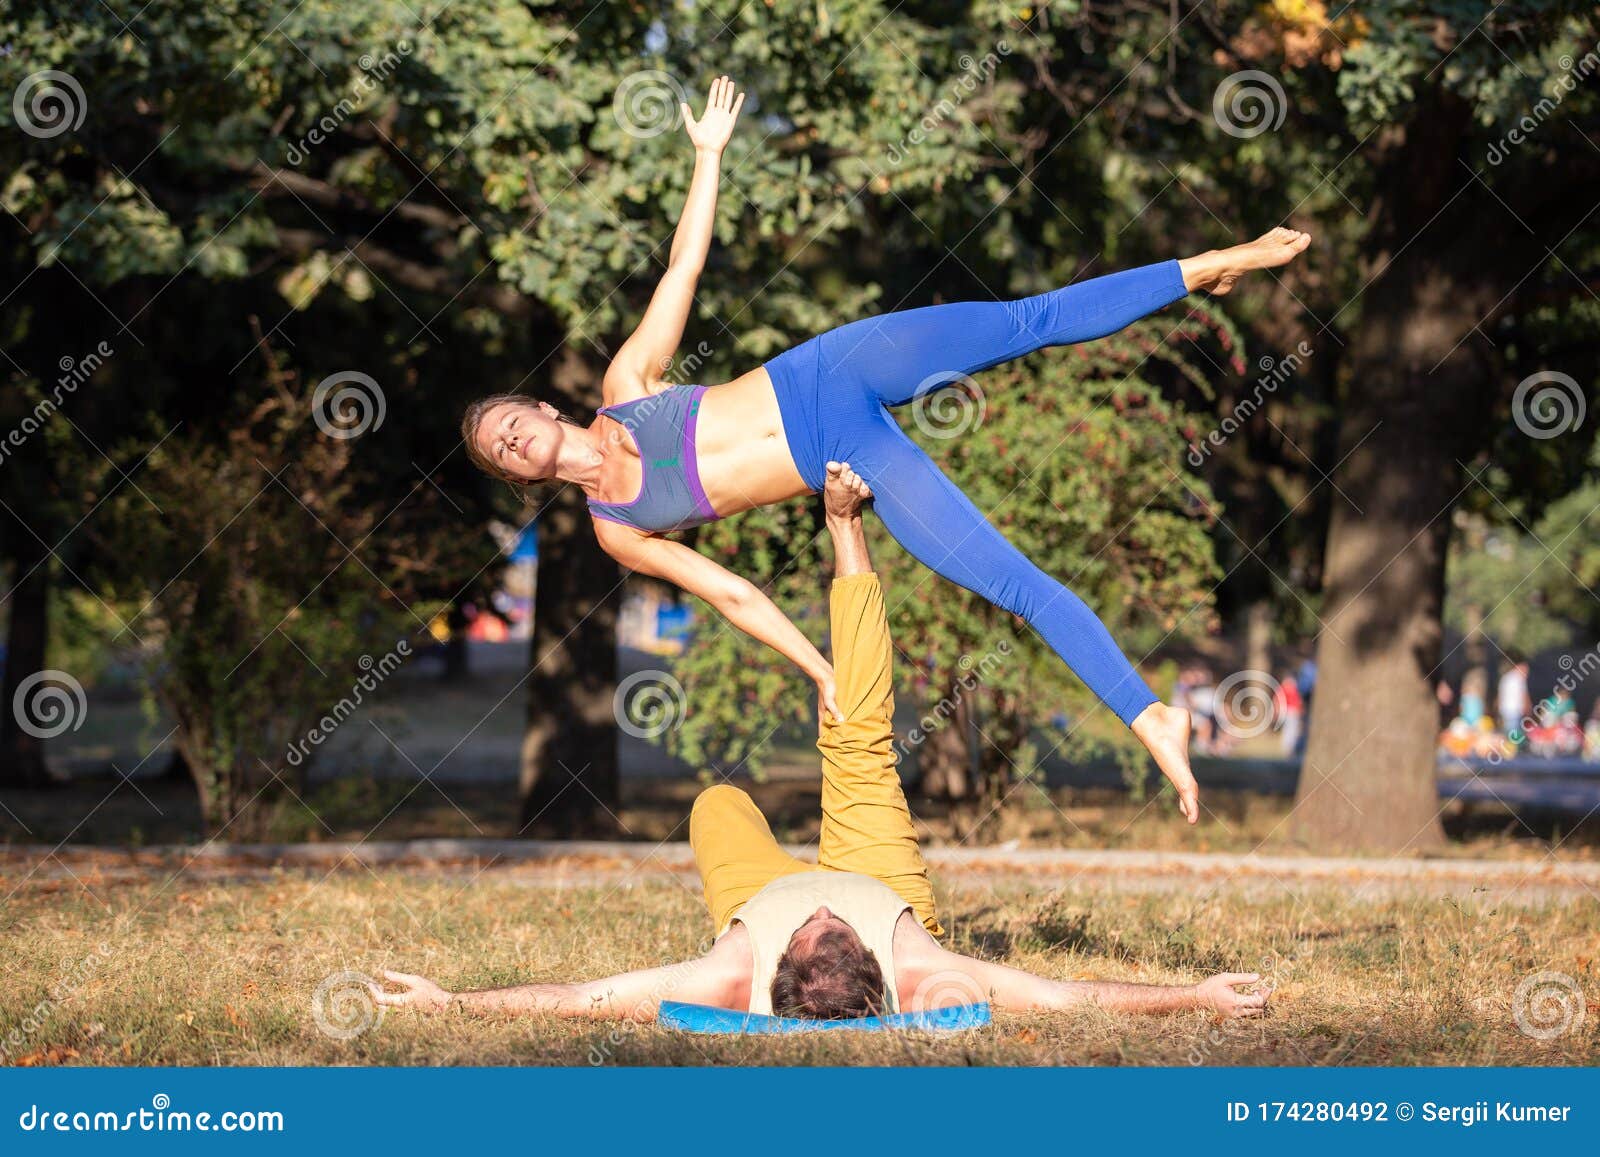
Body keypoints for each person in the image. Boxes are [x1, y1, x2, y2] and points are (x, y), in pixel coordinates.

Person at [460, 76, 1316, 823]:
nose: (514, 439)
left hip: (832, 366)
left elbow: (682, 270)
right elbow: (729, 593)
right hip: (850, 453)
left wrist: (710, 155)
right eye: (502, 451)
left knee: (1027, 321)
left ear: (540, 406)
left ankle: (1205, 264)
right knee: (1012, 582)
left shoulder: (625, 386)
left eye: (511, 422)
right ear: (515, 472)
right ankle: (1148, 714)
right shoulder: (616, 527)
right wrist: (820, 668)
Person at [374, 465, 1270, 1024]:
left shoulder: (732, 969)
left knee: (718, 802)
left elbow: (584, 996)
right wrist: (1196, 996)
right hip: (884, 875)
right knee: (856, 727)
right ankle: (847, 528)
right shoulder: (916, 961)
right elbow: (1066, 996)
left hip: (753, 889)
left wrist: (452, 1003)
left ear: (787, 973)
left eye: (813, 951)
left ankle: (840, 548)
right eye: (845, 951)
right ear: (872, 968)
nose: (824, 932)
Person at [1497, 659, 1530, 745]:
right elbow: (1523, 695)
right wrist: (1527, 707)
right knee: (1514, 730)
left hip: (1505, 709)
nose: (1526, 673)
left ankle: (1508, 747)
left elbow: (1500, 695)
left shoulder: (1506, 677)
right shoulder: (1518, 679)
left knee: (1509, 730)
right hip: (1514, 709)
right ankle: (1512, 748)